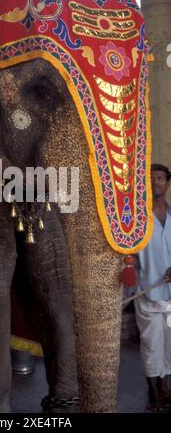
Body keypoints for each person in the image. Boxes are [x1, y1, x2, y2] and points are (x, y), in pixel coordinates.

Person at [135, 163, 171, 411]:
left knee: (168, 342)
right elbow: (129, 253)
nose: (156, 182)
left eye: (160, 178)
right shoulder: (138, 218)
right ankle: (152, 392)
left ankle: (163, 386)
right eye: (151, 179)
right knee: (151, 342)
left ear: (167, 183)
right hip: (148, 290)